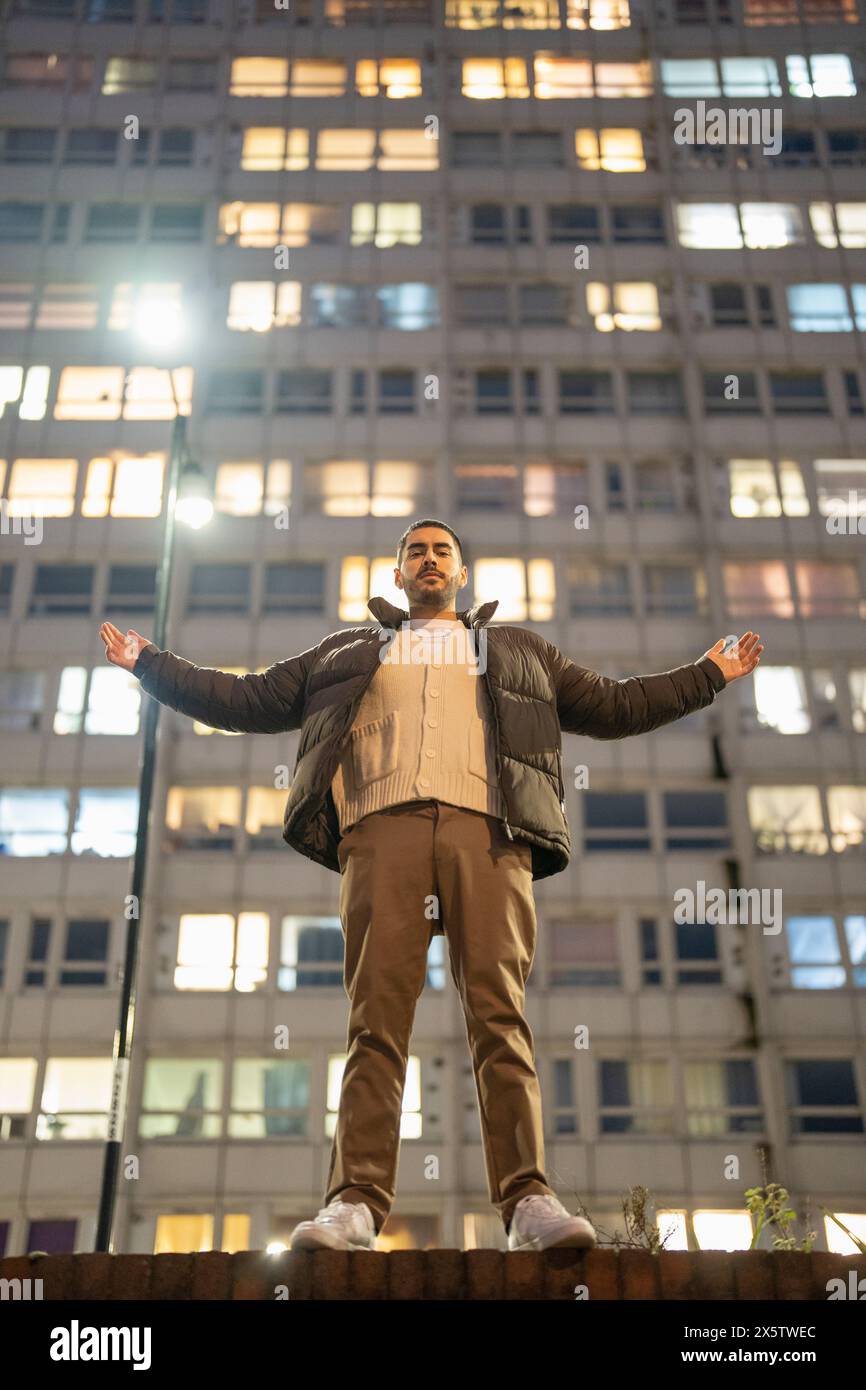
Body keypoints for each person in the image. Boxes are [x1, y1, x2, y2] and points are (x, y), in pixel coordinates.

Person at [100, 519, 762, 1253]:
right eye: (415, 551)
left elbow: (613, 705)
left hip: (492, 834)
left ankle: (529, 1203)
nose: (429, 559)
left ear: (462, 572)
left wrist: (708, 675)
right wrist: (150, 665)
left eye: (442, 550)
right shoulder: (347, 651)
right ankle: (353, 1202)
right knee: (376, 1024)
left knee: (499, 1017)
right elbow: (247, 698)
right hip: (383, 834)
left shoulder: (518, 650)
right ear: (398, 575)